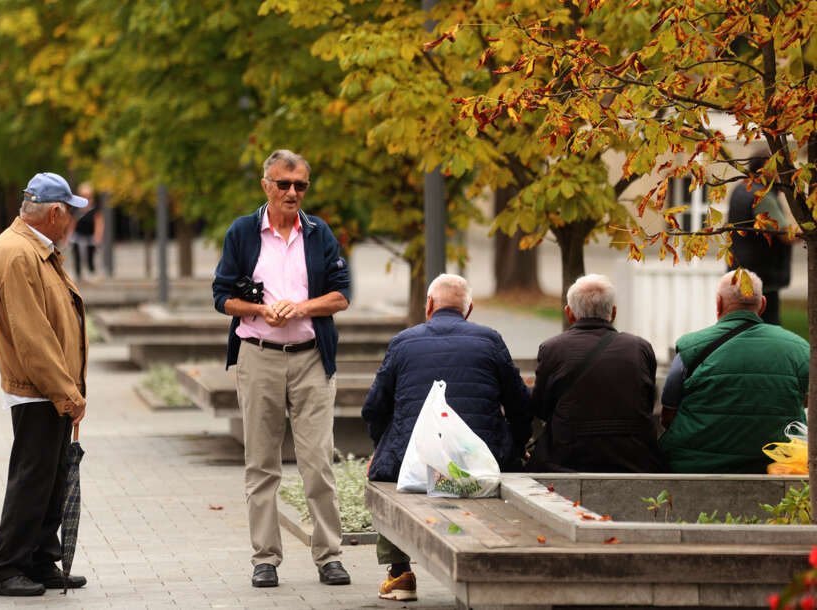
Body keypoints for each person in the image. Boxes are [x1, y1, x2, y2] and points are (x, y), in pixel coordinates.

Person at [212, 150, 352, 588]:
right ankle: (265, 559)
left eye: (300, 186)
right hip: (259, 356)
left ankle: (329, 555)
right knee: (262, 464)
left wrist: (302, 307)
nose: (292, 193)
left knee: (317, 463)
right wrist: (260, 309)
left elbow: (341, 295)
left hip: (312, 358)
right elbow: (221, 296)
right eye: (283, 184)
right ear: (266, 185)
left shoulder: (318, 232)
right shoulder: (242, 232)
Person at [362, 273, 532, 602]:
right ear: (469, 310)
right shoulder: (490, 339)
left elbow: (374, 408)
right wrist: (517, 446)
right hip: (481, 461)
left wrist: (382, 447)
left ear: (429, 305)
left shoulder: (403, 341)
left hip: (414, 464)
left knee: (381, 474)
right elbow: (520, 406)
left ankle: (400, 574)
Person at [0, 172, 89, 596]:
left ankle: (41, 559)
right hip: (38, 387)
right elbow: (32, 335)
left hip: (50, 385)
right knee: (32, 478)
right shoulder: (17, 253)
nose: (71, 223)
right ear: (55, 212)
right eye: (70, 215)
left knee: (50, 477)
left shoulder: (33, 248)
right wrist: (65, 391)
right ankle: (5, 567)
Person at [660, 269, 808, 473]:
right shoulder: (799, 348)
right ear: (763, 304)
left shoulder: (690, 347)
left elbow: (667, 415)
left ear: (718, 303)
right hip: (774, 466)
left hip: (695, 466)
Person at [529, 274, 666, 473]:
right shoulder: (640, 348)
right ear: (613, 313)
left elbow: (541, 407)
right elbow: (647, 401)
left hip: (568, 458)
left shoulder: (552, 348)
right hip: (633, 458)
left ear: (569, 313)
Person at [727, 151, 797, 325]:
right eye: (777, 167)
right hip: (763, 278)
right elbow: (785, 235)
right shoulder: (763, 196)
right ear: (766, 169)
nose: (781, 173)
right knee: (767, 327)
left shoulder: (741, 188)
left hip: (741, 273)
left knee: (742, 326)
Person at [68, 182, 102, 280]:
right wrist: (67, 237)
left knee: (90, 255)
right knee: (77, 254)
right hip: (78, 236)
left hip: (90, 237)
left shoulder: (95, 210)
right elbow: (72, 223)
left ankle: (91, 272)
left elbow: (99, 223)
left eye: (88, 197)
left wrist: (98, 237)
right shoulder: (76, 209)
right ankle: (78, 274)